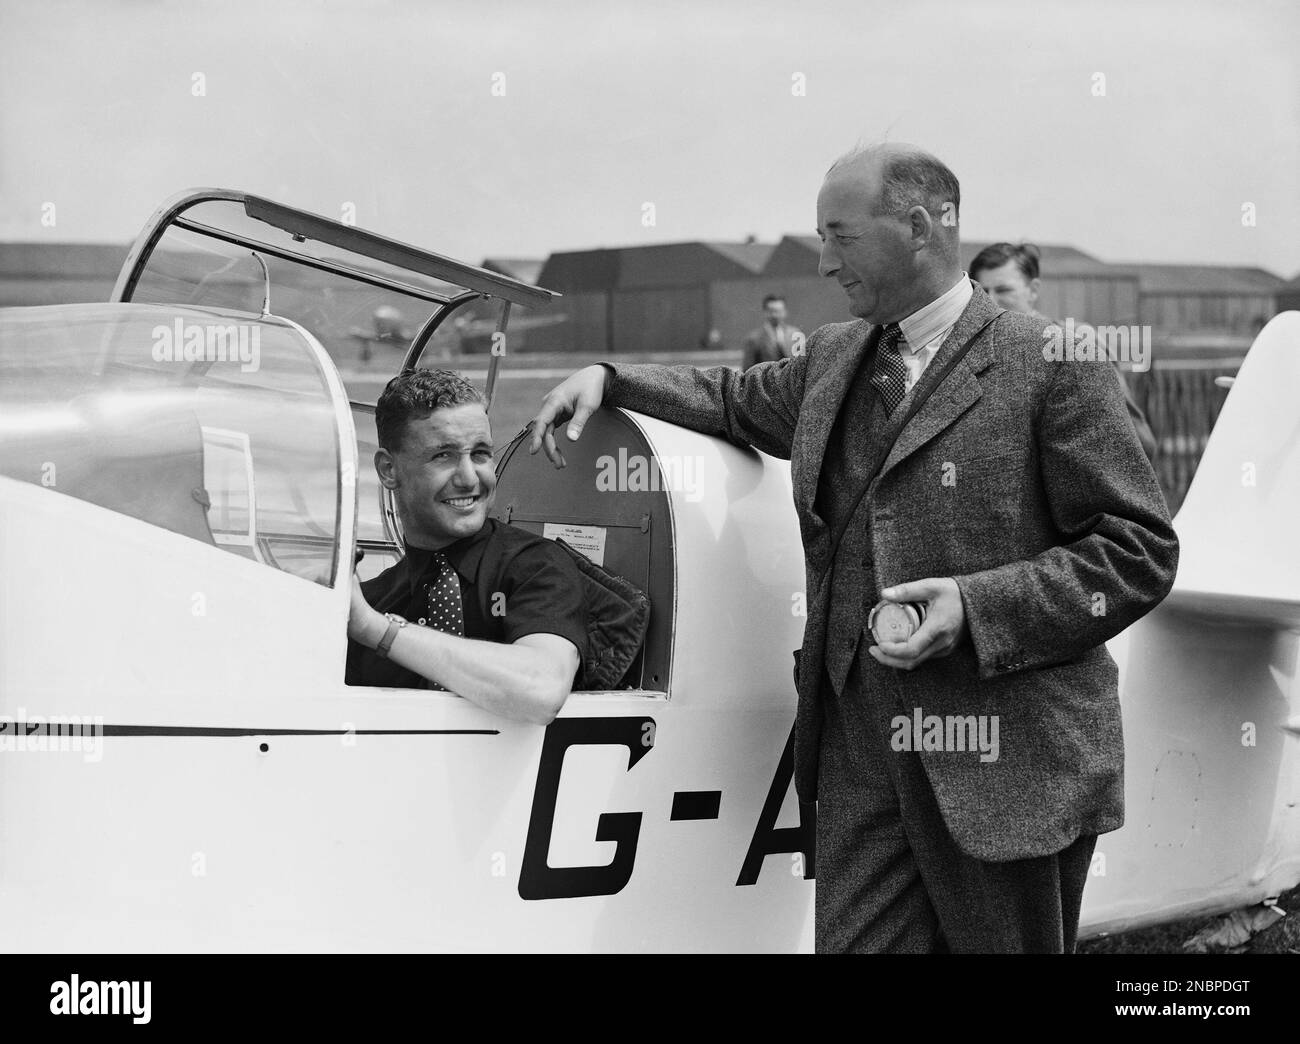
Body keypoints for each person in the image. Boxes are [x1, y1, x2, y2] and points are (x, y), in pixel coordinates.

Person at [527, 142, 1179, 953]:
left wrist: (976, 609)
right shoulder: (834, 356)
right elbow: (733, 400)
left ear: (915, 228)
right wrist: (609, 375)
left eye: (840, 236)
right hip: (857, 750)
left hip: (1004, 761)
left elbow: (1137, 549)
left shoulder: (1050, 364)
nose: (825, 261)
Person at [346, 368, 587, 725]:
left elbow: (542, 691)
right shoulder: (371, 599)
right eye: (442, 456)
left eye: (480, 453)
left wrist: (377, 631)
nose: (469, 478)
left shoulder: (537, 568)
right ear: (388, 469)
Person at [969, 242, 1158, 460]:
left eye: (1003, 290)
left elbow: (1136, 439)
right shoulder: (974, 352)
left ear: (1033, 290)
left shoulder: (1075, 342)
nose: (991, 301)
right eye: (982, 292)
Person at [740, 294, 804, 369]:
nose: (775, 315)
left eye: (779, 311)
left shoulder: (796, 334)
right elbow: (747, 369)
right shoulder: (753, 339)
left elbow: (802, 364)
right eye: (771, 311)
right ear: (765, 312)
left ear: (785, 312)